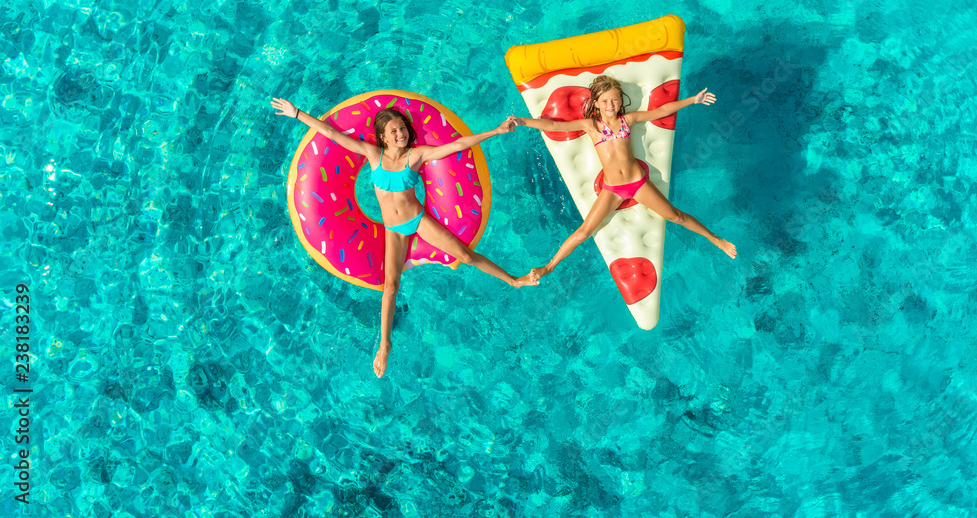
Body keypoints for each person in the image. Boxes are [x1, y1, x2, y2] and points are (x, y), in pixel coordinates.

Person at [271, 98, 537, 378]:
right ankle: (385, 345)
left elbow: (456, 145)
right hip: (393, 230)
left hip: (418, 220)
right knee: (391, 286)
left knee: (466, 256)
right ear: (383, 137)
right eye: (394, 131)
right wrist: (297, 114)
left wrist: (495, 132)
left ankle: (514, 280)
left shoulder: (416, 155)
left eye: (403, 128)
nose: (401, 134)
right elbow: (332, 134)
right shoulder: (373, 155)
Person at [508, 75, 737, 283]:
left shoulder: (628, 120)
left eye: (615, 100)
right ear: (596, 103)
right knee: (583, 232)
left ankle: (715, 239)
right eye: (605, 101)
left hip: (638, 184)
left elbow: (662, 110)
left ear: (621, 101)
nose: (610, 105)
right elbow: (554, 126)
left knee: (675, 216)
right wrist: (523, 121)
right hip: (612, 189)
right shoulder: (592, 126)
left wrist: (692, 100)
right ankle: (548, 267)